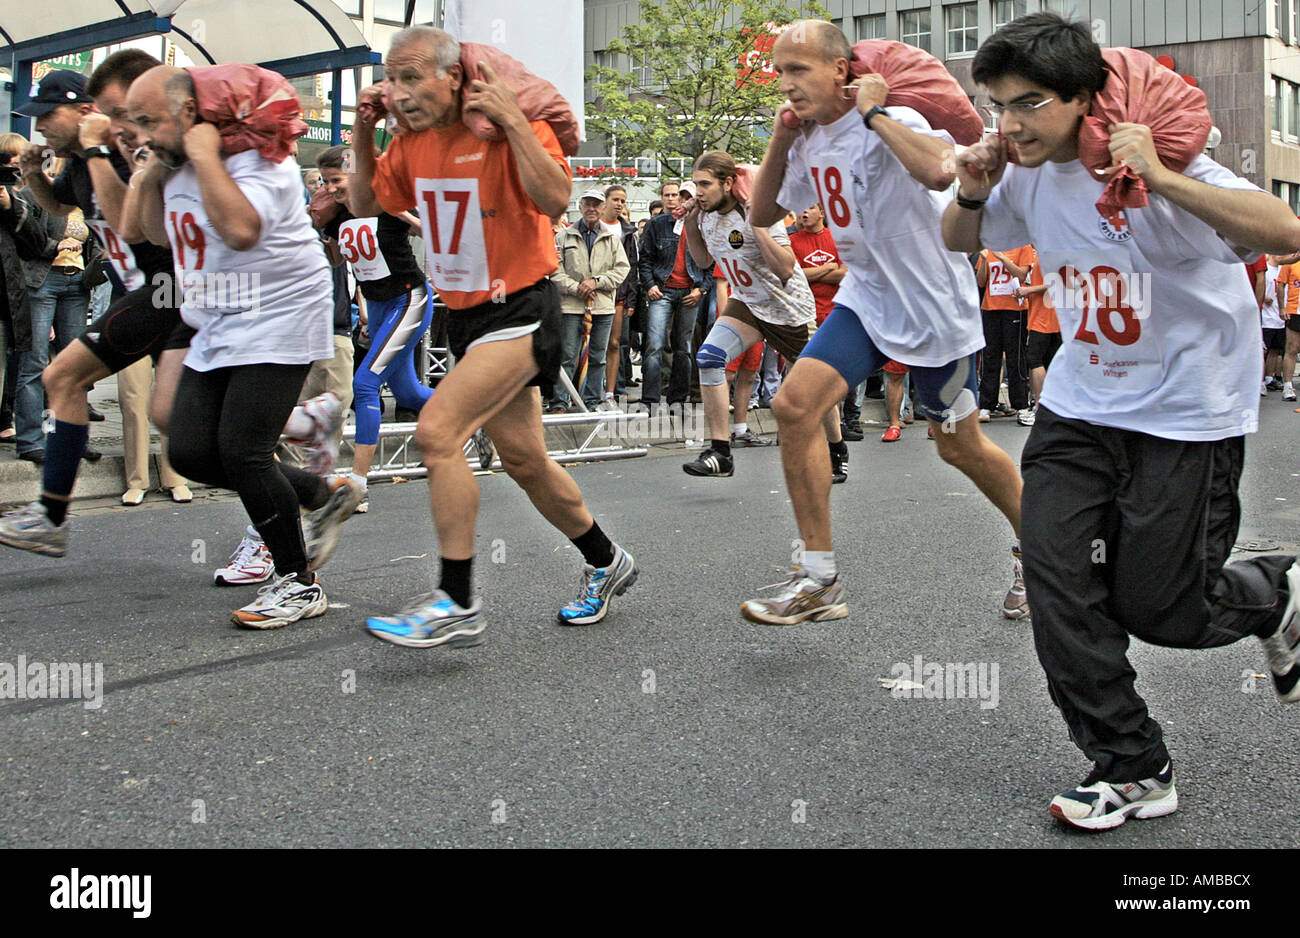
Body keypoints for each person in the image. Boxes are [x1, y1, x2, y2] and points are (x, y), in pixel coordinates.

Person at [946, 12, 1300, 829]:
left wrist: (1162, 175)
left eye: (1028, 103)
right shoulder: (1024, 172)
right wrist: (972, 182)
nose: (1010, 124)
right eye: (997, 104)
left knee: (1164, 611)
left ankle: (1269, 589)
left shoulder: (1163, 164)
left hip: (1186, 412)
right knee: (1055, 580)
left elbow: (1283, 232)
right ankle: (1132, 766)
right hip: (1080, 406)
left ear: (1082, 97)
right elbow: (957, 237)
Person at [345, 26, 637, 648]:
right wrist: (362, 130)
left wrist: (509, 120)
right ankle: (607, 559)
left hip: (523, 309)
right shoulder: (411, 141)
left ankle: (455, 600)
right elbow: (366, 205)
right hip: (466, 315)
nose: (398, 91)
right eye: (391, 78)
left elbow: (556, 198)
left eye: (411, 77)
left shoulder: (502, 126)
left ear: (453, 78)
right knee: (526, 461)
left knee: (437, 433)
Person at [740, 19, 1027, 625]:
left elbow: (942, 172)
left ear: (841, 70)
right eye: (780, 72)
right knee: (794, 407)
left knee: (959, 446)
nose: (785, 84)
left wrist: (874, 115)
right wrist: (779, 139)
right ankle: (819, 579)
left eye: (799, 70)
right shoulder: (808, 139)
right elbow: (763, 212)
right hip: (866, 298)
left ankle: (1043, 554)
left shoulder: (895, 120)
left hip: (932, 309)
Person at [126, 64, 362, 627]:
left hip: (279, 313)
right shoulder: (176, 166)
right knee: (188, 450)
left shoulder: (264, 164)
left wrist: (205, 157)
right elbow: (150, 235)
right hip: (219, 317)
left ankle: (299, 584)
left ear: (189, 116)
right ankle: (321, 491)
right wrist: (151, 174)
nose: (137, 135)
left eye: (146, 122)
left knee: (242, 449)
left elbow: (241, 231)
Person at [0, 60, 189, 553]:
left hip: (171, 287)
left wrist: (96, 149)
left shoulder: (123, 152)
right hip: (142, 292)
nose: (37, 124)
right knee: (182, 425)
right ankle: (314, 486)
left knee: (62, 377)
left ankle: (51, 513)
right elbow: (61, 207)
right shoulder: (84, 162)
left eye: (47, 114)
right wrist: (31, 173)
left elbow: (129, 223)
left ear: (86, 111)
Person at [679, 150, 846, 482]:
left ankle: (836, 449)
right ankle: (720, 452)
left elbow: (786, 268)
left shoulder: (759, 213)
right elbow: (701, 262)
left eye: (705, 184)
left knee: (817, 388)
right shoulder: (705, 216)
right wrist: (690, 223)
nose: (698, 192)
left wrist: (758, 227)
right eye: (695, 184)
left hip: (787, 309)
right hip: (748, 304)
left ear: (728, 183)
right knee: (709, 357)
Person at [315, 143, 430, 501]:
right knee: (408, 393)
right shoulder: (337, 216)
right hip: (379, 306)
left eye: (336, 180)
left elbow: (427, 232)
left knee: (365, 383)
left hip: (409, 298)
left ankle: (358, 483)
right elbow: (337, 261)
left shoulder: (385, 202)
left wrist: (405, 215)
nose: (331, 188)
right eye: (325, 182)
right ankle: (478, 418)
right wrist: (320, 230)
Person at [551, 188, 628, 411]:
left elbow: (622, 269)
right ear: (580, 207)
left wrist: (596, 282)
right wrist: (577, 288)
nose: (592, 209)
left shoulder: (612, 239)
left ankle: (593, 400)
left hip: (602, 307)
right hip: (571, 306)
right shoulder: (563, 236)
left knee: (598, 356)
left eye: (596, 204)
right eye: (587, 204)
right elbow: (555, 271)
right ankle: (560, 401)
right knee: (567, 355)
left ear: (602, 208)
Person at [637, 180, 711, 409]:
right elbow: (645, 259)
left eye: (688, 196)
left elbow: (710, 263)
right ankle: (649, 399)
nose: (683, 200)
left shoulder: (703, 225)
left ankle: (677, 399)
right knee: (654, 345)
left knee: (684, 348)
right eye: (682, 195)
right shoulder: (658, 224)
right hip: (663, 290)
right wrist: (650, 285)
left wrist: (701, 289)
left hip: (690, 292)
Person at [976, 246, 1034, 422]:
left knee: (1015, 357)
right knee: (990, 356)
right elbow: (980, 282)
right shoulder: (988, 248)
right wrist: (985, 260)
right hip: (991, 308)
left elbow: (1022, 275)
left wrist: (1003, 258)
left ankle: (1021, 405)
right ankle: (986, 405)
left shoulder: (1023, 247)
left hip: (1015, 308)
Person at [599, 184, 638, 405]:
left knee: (616, 342)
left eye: (623, 200)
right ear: (605, 201)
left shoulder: (628, 232)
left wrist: (631, 298)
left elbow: (632, 266)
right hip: (595, 293)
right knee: (593, 344)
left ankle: (612, 391)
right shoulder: (594, 226)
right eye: (615, 199)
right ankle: (589, 389)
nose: (619, 204)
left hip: (620, 295)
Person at [1015, 244, 1059, 426]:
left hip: (1045, 316)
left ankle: (1040, 408)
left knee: (1035, 360)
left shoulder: (1049, 252)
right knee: (1048, 361)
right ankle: (1049, 407)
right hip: (1046, 314)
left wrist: (1028, 290)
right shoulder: (1042, 251)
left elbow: (1057, 281)